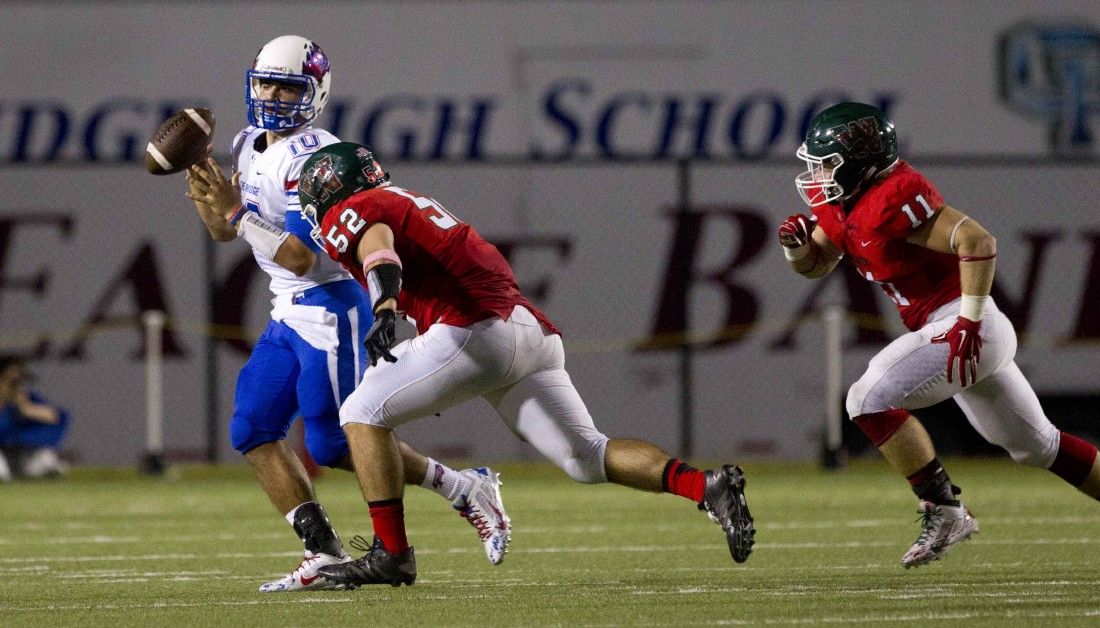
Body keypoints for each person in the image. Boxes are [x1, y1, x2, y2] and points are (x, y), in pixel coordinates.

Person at [288, 141, 756, 588]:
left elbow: (378, 246)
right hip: (528, 330)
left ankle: (391, 553)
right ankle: (705, 485)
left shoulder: (359, 209)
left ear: (330, 190)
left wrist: (385, 305)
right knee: (585, 456)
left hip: (472, 331)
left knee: (360, 413)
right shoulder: (403, 197)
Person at [182, 35, 511, 592]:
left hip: (334, 306)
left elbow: (302, 255)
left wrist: (235, 211)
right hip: (286, 308)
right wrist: (205, 196)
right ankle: (322, 551)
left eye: (286, 87)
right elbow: (224, 232)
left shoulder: (316, 155)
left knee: (333, 445)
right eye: (264, 83)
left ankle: (463, 488)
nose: (271, 96)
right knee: (252, 428)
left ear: (313, 94)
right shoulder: (247, 143)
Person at [777, 102, 1100, 568]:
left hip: (969, 324)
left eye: (828, 163)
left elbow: (978, 242)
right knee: (1039, 446)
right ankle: (948, 509)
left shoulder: (892, 195)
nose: (818, 174)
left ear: (861, 163)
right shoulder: (840, 202)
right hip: (954, 326)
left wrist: (967, 321)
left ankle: (945, 509)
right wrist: (796, 250)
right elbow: (818, 264)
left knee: (867, 398)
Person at [0, 355, 71, 481]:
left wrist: (24, 407)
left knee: (46, 460)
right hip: (2, 453)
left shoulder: (27, 398)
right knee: (2, 472)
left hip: (25, 452)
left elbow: (55, 417)